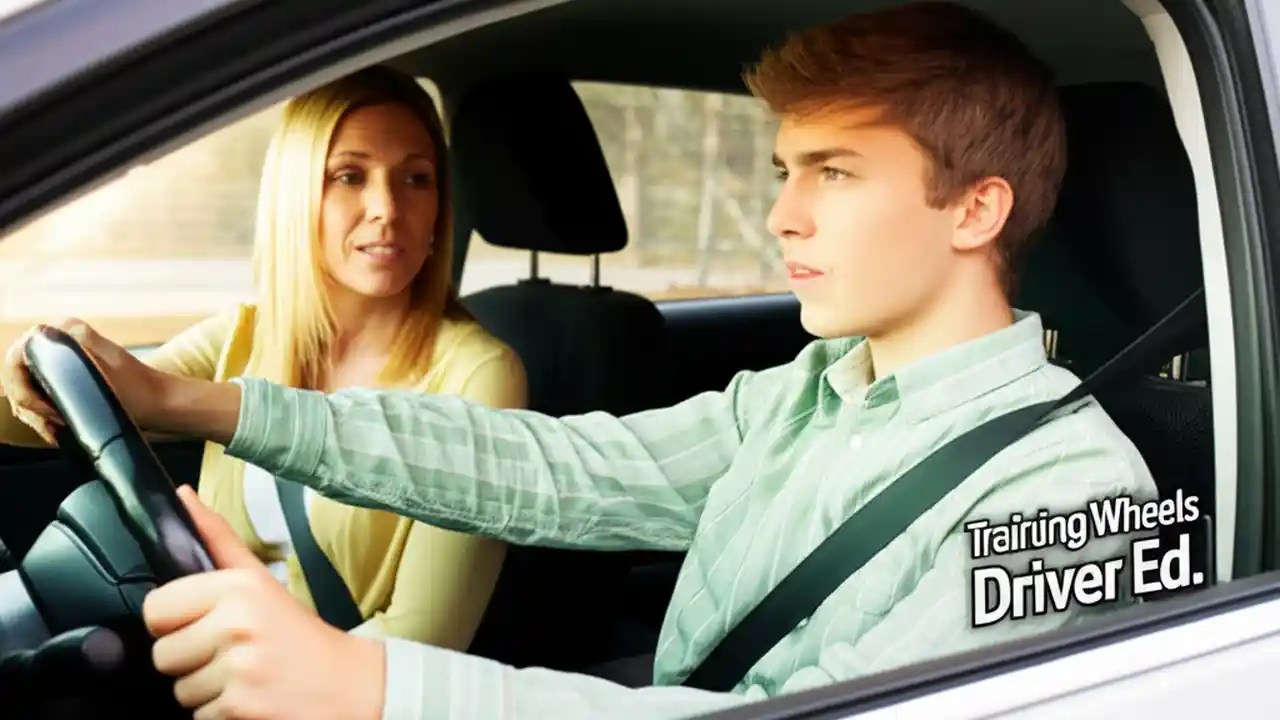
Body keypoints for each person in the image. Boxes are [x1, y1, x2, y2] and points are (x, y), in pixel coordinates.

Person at [2, 2, 1159, 719]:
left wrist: (374, 690)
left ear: (974, 211)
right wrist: (198, 402)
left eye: (834, 173)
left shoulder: (1068, 498)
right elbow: (543, 470)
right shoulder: (803, 397)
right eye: (781, 173)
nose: (783, 218)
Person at [0, 66, 527, 650]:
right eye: (349, 176)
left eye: (416, 178)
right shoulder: (247, 335)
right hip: (217, 662)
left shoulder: (478, 376)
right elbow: (50, 413)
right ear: (295, 197)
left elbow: (425, 640)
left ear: (439, 209)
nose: (386, 205)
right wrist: (28, 357)